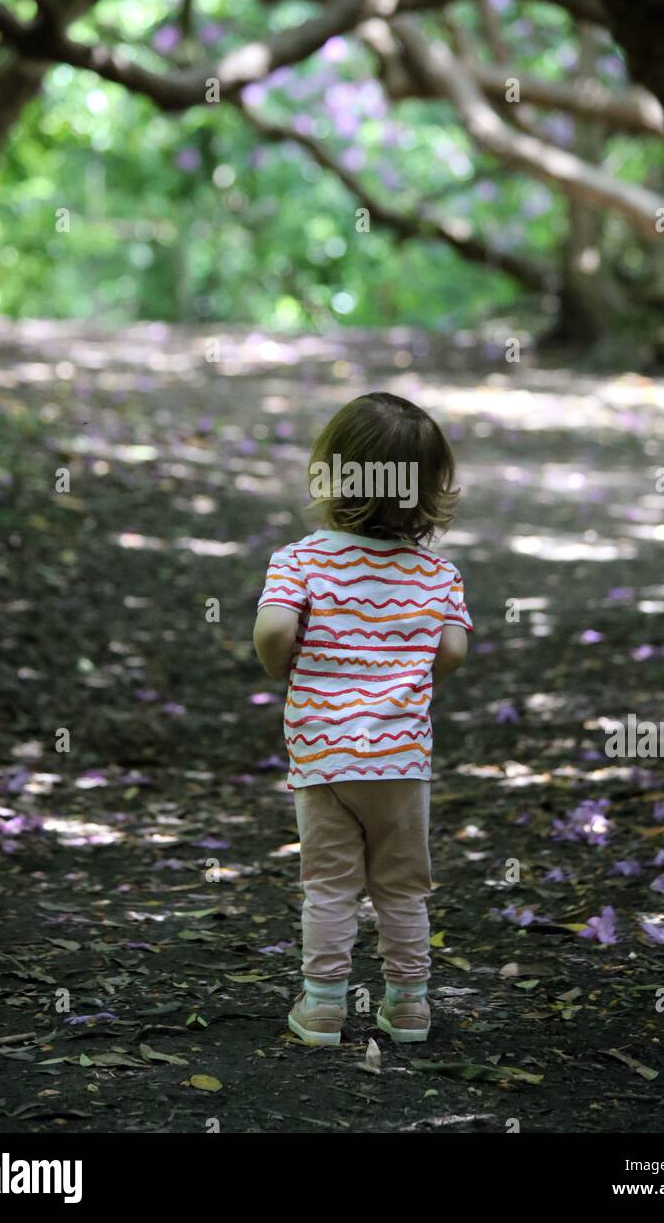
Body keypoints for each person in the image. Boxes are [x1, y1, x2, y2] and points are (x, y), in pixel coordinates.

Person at [253, 391, 473, 1046]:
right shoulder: (438, 574)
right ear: (429, 491)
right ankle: (409, 1005)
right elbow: (453, 650)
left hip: (323, 759)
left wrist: (282, 662)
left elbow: (272, 632)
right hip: (401, 763)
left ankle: (322, 1006)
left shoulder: (299, 560)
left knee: (329, 885)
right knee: (404, 889)